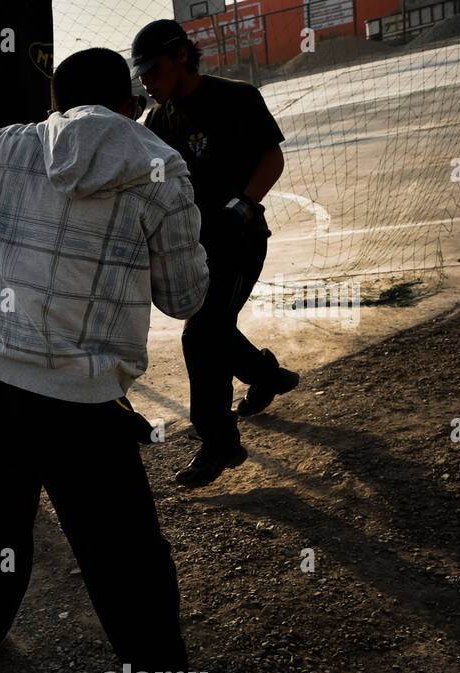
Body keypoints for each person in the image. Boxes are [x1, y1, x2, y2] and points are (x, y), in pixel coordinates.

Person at [0, 48, 256, 673]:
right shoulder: (161, 165)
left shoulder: (11, 144)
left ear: (55, 98)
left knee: (0, 517)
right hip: (81, 401)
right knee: (130, 571)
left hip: (2, 381)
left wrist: (2, 182)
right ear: (132, 100)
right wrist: (206, 241)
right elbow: (184, 298)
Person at [134, 18, 300, 487]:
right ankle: (264, 375)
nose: (147, 80)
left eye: (152, 68)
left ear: (180, 56)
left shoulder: (236, 97)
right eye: (140, 73)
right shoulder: (158, 122)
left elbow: (272, 156)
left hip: (240, 241)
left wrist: (244, 203)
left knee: (200, 336)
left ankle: (219, 442)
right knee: (215, 331)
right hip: (196, 250)